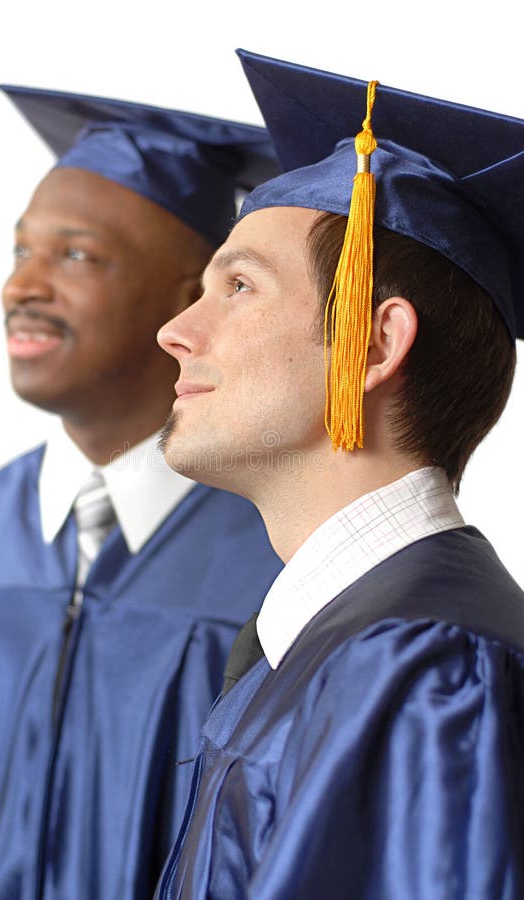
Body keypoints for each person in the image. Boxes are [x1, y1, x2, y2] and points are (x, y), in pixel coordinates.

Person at [154, 49, 524, 898]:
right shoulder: (342, 643)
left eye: (238, 286)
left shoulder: (426, 665)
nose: (176, 330)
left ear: (375, 345)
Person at [0, 85, 282, 900]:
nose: (23, 286)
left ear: (185, 298)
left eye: (75, 255)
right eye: (22, 252)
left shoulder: (278, 567)